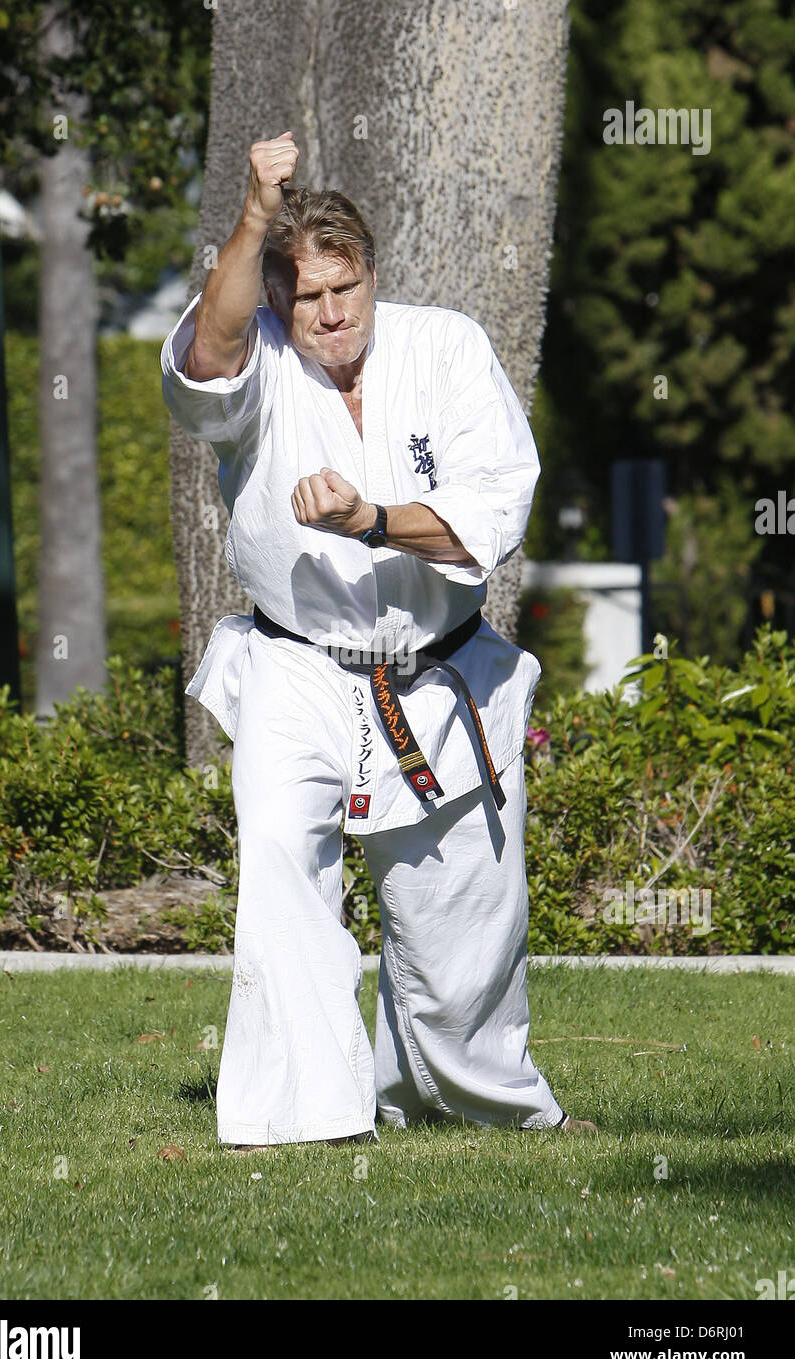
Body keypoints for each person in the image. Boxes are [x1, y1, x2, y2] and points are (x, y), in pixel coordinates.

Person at [161, 131, 597, 1150]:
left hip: (436, 676)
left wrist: (369, 521)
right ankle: (307, 1114)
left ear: (371, 273)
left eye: (343, 287)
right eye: (305, 296)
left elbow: (492, 512)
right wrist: (255, 210)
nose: (329, 313)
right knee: (278, 860)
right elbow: (206, 355)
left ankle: (477, 1098)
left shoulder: (445, 349)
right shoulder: (258, 353)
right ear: (278, 298)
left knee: (460, 927)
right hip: (295, 667)